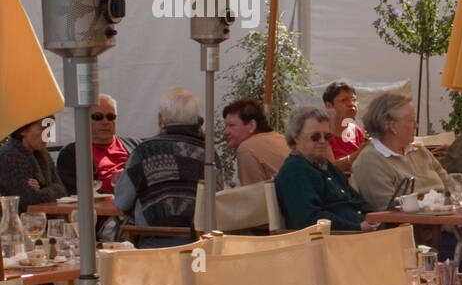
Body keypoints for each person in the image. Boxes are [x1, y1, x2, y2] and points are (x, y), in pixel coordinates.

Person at [113, 87, 207, 246]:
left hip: (153, 244)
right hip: (200, 246)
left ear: (160, 119)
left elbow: (122, 202)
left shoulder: (145, 151)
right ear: (195, 120)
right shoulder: (210, 155)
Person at [274, 106, 379, 232]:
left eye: (327, 136)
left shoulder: (327, 167)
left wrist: (374, 218)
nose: (323, 141)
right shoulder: (294, 171)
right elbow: (309, 220)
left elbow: (357, 201)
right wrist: (357, 227)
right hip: (336, 241)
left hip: (359, 233)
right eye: (315, 137)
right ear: (296, 137)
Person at [350, 91, 452, 213]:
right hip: (412, 228)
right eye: (411, 120)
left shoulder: (420, 151)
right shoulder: (370, 161)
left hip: (448, 219)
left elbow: (451, 188)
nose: (416, 125)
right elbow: (389, 211)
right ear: (393, 126)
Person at [55, 94, 139, 195]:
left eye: (111, 117)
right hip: (100, 208)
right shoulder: (71, 154)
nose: (105, 122)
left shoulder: (136, 145)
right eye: (97, 117)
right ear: (84, 120)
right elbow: (72, 191)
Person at [0, 120, 65, 213]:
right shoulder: (9, 156)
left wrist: (42, 190)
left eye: (50, 129)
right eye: (42, 129)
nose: (48, 135)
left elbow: (62, 190)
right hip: (22, 223)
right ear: (23, 130)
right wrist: (52, 189)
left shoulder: (43, 154)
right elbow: (30, 200)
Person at [221, 99, 290, 185]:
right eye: (226, 126)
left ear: (251, 126)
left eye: (231, 125)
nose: (226, 132)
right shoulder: (280, 139)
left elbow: (253, 195)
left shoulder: (246, 148)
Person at [323, 81, 366, 173]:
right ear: (329, 106)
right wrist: (359, 153)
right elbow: (330, 169)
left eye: (353, 100)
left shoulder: (356, 130)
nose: (351, 104)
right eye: (344, 100)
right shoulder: (322, 134)